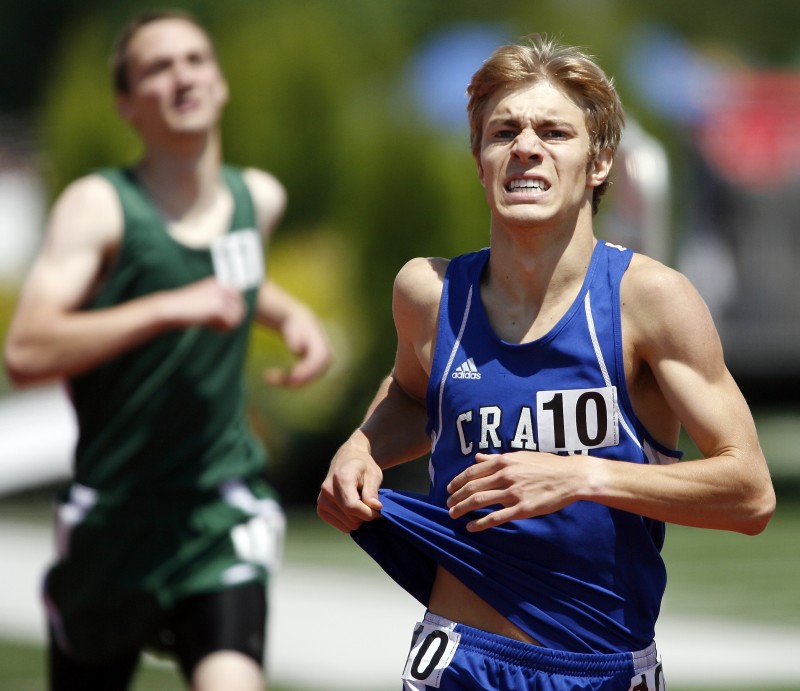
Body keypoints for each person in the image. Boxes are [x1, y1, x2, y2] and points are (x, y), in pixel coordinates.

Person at [317, 34, 775, 690]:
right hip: (459, 659)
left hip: (602, 666)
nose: (526, 146)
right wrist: (360, 448)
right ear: (479, 159)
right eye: (504, 131)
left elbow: (749, 492)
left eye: (554, 131)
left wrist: (583, 475)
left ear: (599, 162)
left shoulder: (649, 301)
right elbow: (418, 398)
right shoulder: (429, 294)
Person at [4, 9, 332, 691]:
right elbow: (28, 349)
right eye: (158, 66)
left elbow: (232, 270)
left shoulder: (257, 197)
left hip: (217, 508)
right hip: (114, 518)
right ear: (127, 104)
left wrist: (291, 312)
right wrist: (166, 308)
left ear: (220, 82)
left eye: (195, 60)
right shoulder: (100, 207)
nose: (181, 75)